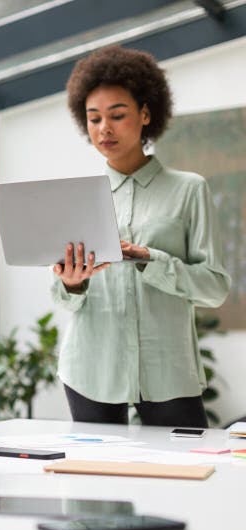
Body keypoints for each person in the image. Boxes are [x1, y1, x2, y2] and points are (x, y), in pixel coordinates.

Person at [52, 45, 231, 427]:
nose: (105, 129)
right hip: (90, 369)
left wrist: (150, 259)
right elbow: (62, 299)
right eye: (94, 118)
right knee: (95, 484)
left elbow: (214, 287)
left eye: (117, 115)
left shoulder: (188, 190)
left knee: (183, 480)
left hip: (168, 372)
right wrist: (72, 284)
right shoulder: (76, 195)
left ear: (146, 114)